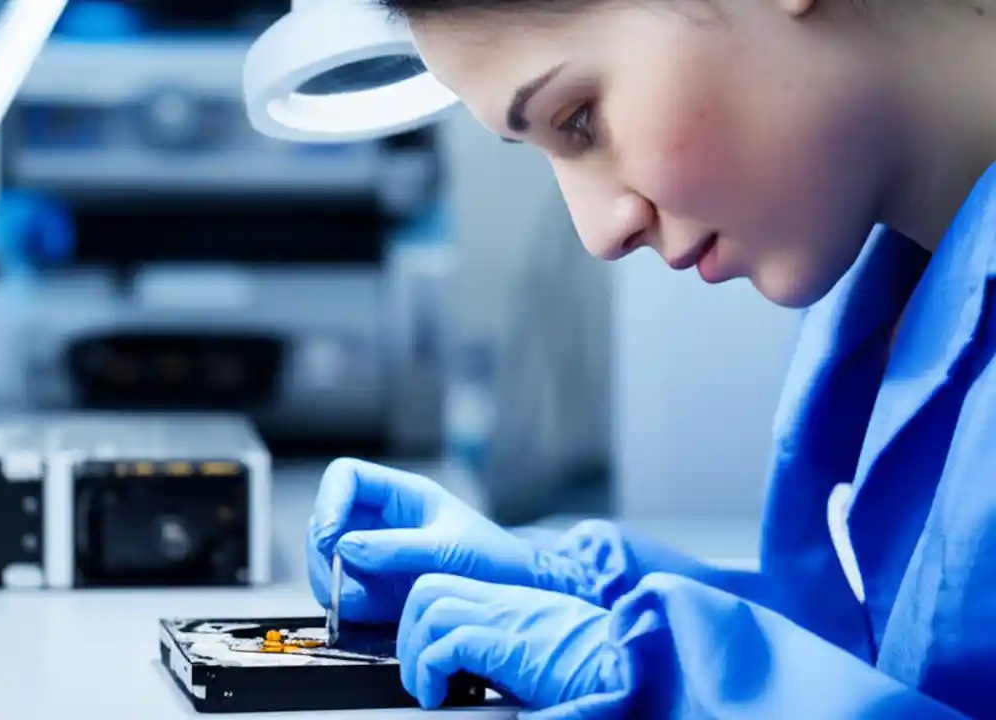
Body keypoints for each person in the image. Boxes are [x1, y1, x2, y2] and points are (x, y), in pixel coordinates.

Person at [306, 1, 996, 717]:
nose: (600, 233)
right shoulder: (904, 284)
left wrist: (674, 681)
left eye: (578, 119)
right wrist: (582, 590)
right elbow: (909, 657)